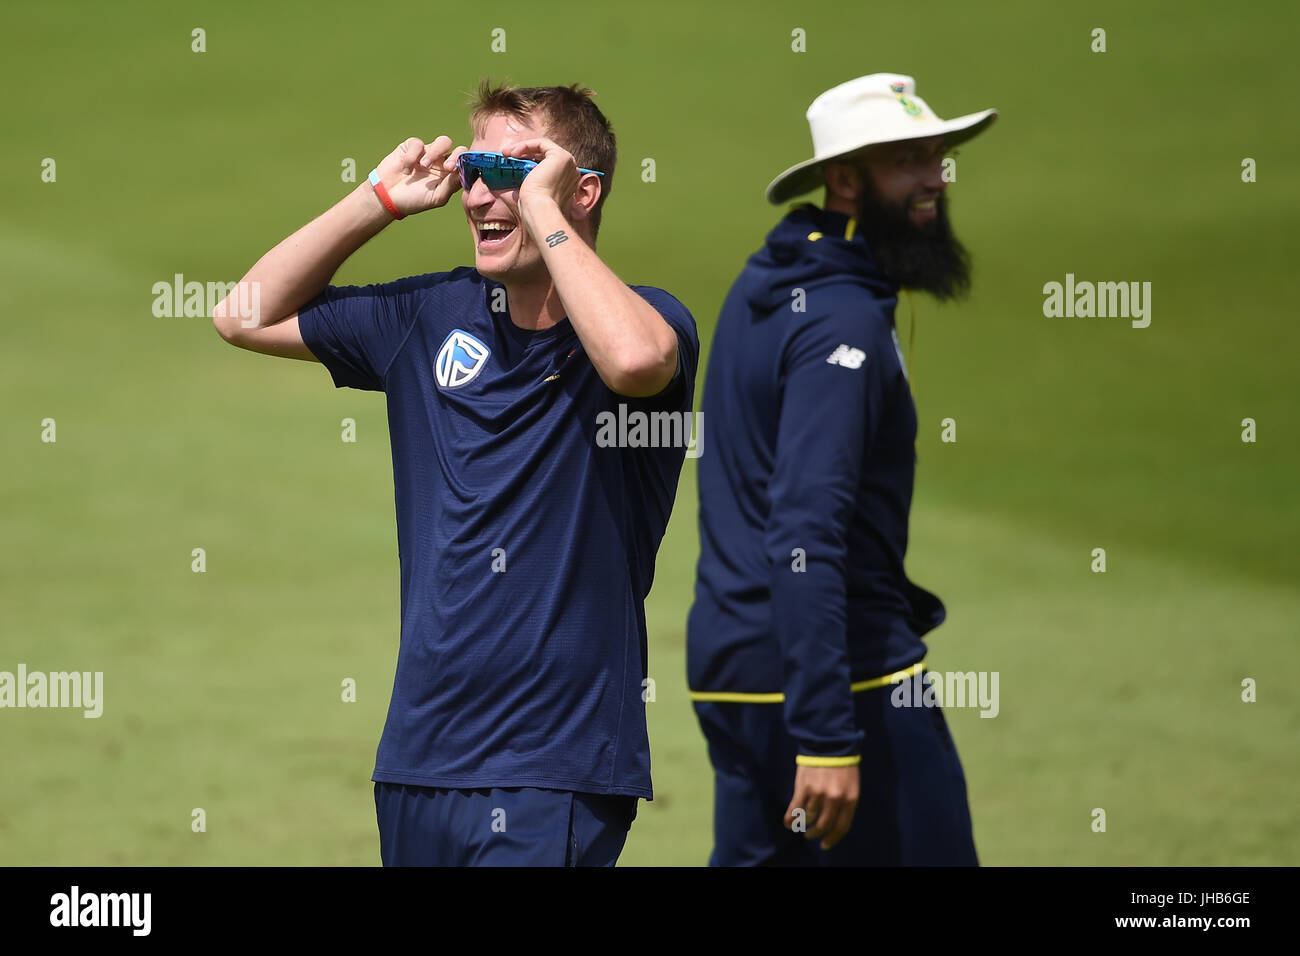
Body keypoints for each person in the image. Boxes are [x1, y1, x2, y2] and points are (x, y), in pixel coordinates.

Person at [213, 81, 698, 866]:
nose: (479, 195)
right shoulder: (430, 317)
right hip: (418, 762)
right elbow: (243, 315)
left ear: (581, 191)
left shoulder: (650, 320)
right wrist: (378, 201)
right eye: (475, 168)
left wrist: (542, 208)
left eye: (512, 169)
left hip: (552, 769)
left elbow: (637, 362)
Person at [686, 73, 995, 866]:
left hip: (734, 670)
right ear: (846, 178)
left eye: (936, 155)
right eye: (907, 160)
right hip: (839, 678)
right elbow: (803, 526)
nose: (934, 177)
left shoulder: (772, 281)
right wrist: (825, 734)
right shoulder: (839, 320)